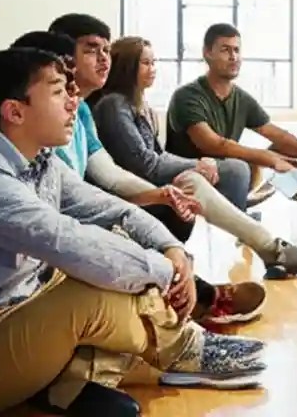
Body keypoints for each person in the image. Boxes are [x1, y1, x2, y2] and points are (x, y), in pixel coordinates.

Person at [0, 48, 266, 417]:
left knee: (122, 252)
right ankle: (181, 350)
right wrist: (166, 270)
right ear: (14, 111)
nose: (72, 103)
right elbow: (70, 242)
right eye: (58, 92)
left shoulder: (38, 162)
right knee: (91, 283)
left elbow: (108, 208)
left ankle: (71, 382)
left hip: (12, 324)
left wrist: (170, 248)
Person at [14, 27, 266, 325]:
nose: (103, 59)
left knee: (153, 216)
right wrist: (167, 263)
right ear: (14, 108)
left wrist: (163, 207)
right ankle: (195, 307)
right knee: (115, 246)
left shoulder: (77, 121)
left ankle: (200, 293)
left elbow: (106, 180)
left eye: (107, 50)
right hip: (4, 311)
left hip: (93, 211)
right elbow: (139, 168)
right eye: (59, 89)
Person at [90, 36, 297, 276]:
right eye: (146, 63)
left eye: (154, 62)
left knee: (229, 170)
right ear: (128, 67)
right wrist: (196, 164)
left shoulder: (139, 105)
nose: (153, 69)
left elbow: (272, 131)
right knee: (219, 173)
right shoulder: (115, 106)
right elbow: (146, 164)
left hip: (155, 180)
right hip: (134, 190)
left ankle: (262, 237)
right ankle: (267, 244)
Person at [167, 23, 297, 246]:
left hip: (228, 174)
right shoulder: (187, 96)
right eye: (225, 50)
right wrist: (269, 159)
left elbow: (275, 134)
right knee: (243, 165)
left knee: (290, 152)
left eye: (237, 50)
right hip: (191, 172)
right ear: (207, 53)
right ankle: (249, 224)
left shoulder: (241, 98)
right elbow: (213, 144)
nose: (233, 57)